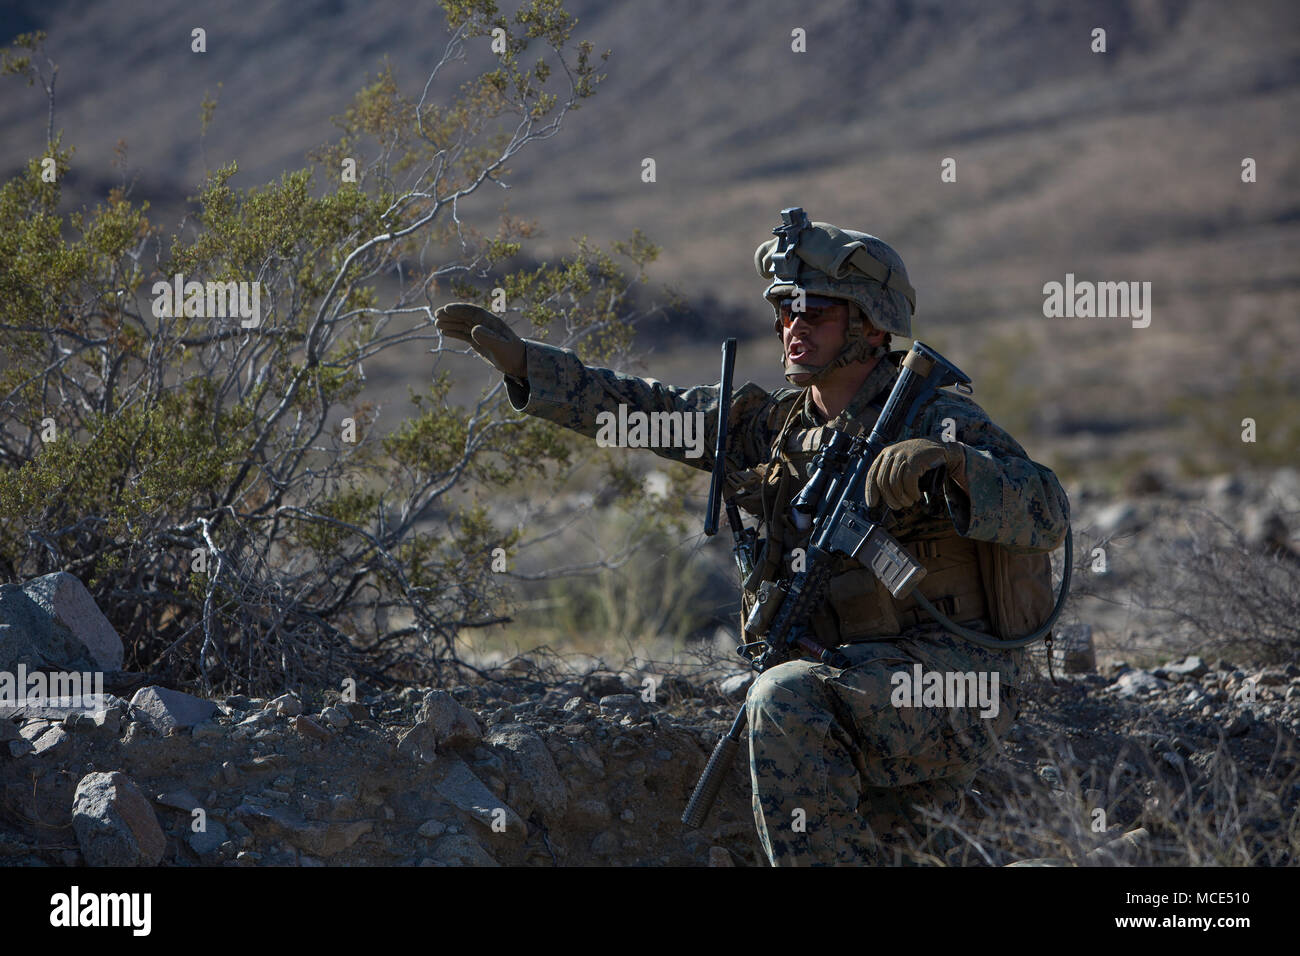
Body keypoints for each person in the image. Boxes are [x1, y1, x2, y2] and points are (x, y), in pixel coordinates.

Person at [434, 209, 1070, 866]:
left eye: (814, 313)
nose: (793, 329)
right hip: (856, 683)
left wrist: (956, 468)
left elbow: (1049, 510)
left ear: (870, 326)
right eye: (784, 314)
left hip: (952, 686)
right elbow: (649, 414)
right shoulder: (778, 430)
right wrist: (529, 369)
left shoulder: (935, 413)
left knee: (784, 699)